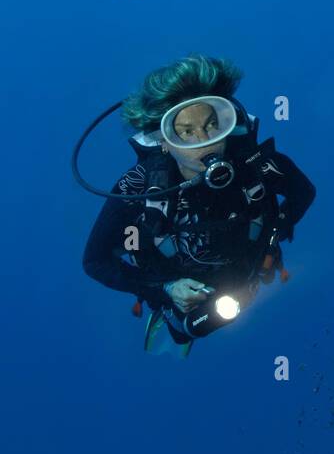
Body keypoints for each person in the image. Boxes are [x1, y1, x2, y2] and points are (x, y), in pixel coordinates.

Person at [82, 54, 315, 355]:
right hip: (176, 284)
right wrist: (164, 289)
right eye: (187, 132)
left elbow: (303, 192)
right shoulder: (137, 187)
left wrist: (274, 233)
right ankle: (172, 322)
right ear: (162, 139)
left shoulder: (257, 165)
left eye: (211, 125)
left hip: (243, 268)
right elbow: (94, 261)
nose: (205, 141)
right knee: (190, 329)